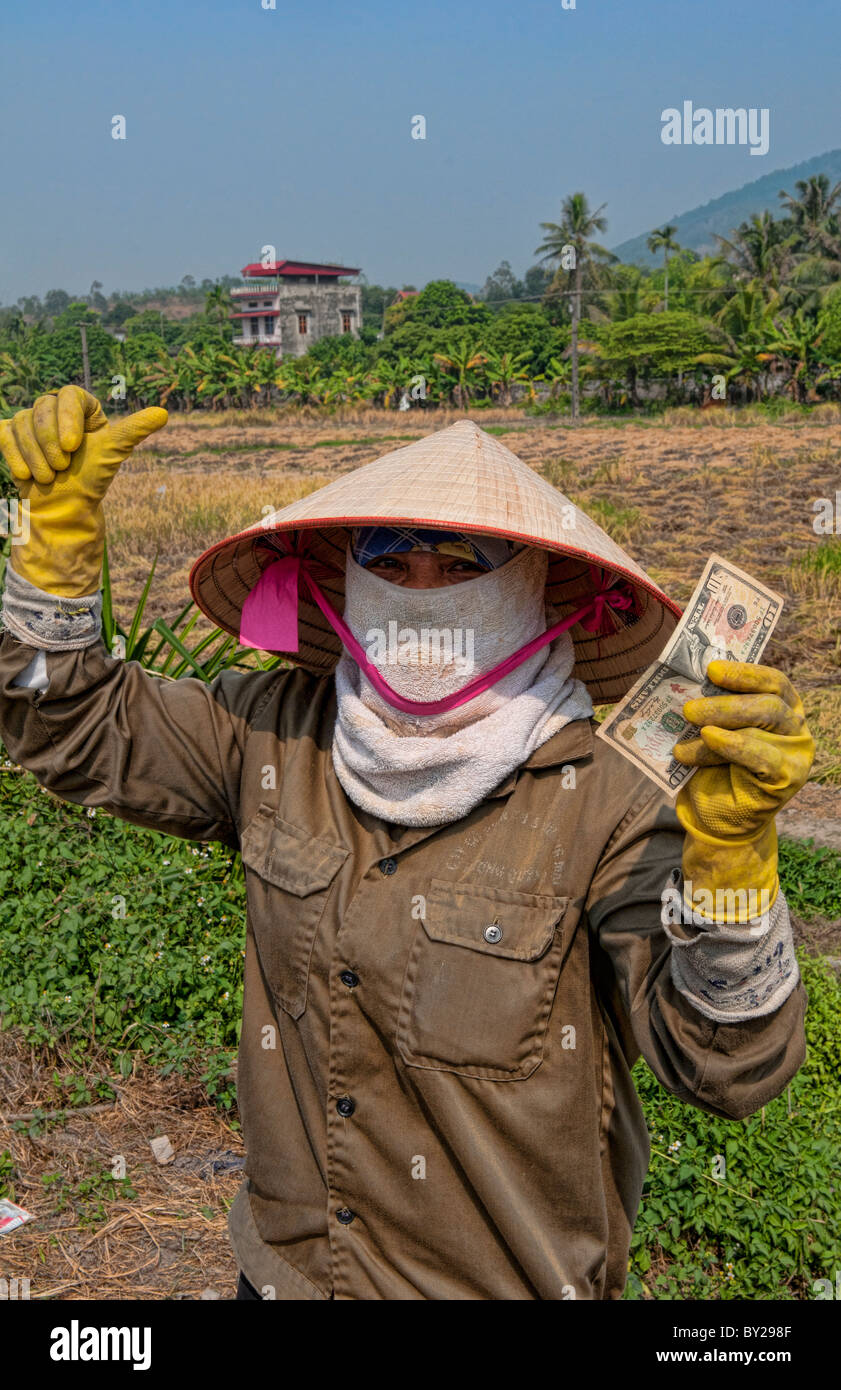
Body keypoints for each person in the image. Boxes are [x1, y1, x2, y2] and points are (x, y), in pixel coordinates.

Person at [0, 388, 813, 1301]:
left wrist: (732, 874)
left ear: (540, 583)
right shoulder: (273, 735)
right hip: (283, 1281)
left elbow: (727, 1070)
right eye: (389, 555)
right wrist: (50, 564)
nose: (420, 585)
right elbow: (69, 727)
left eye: (464, 558)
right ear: (342, 576)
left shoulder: (613, 800)